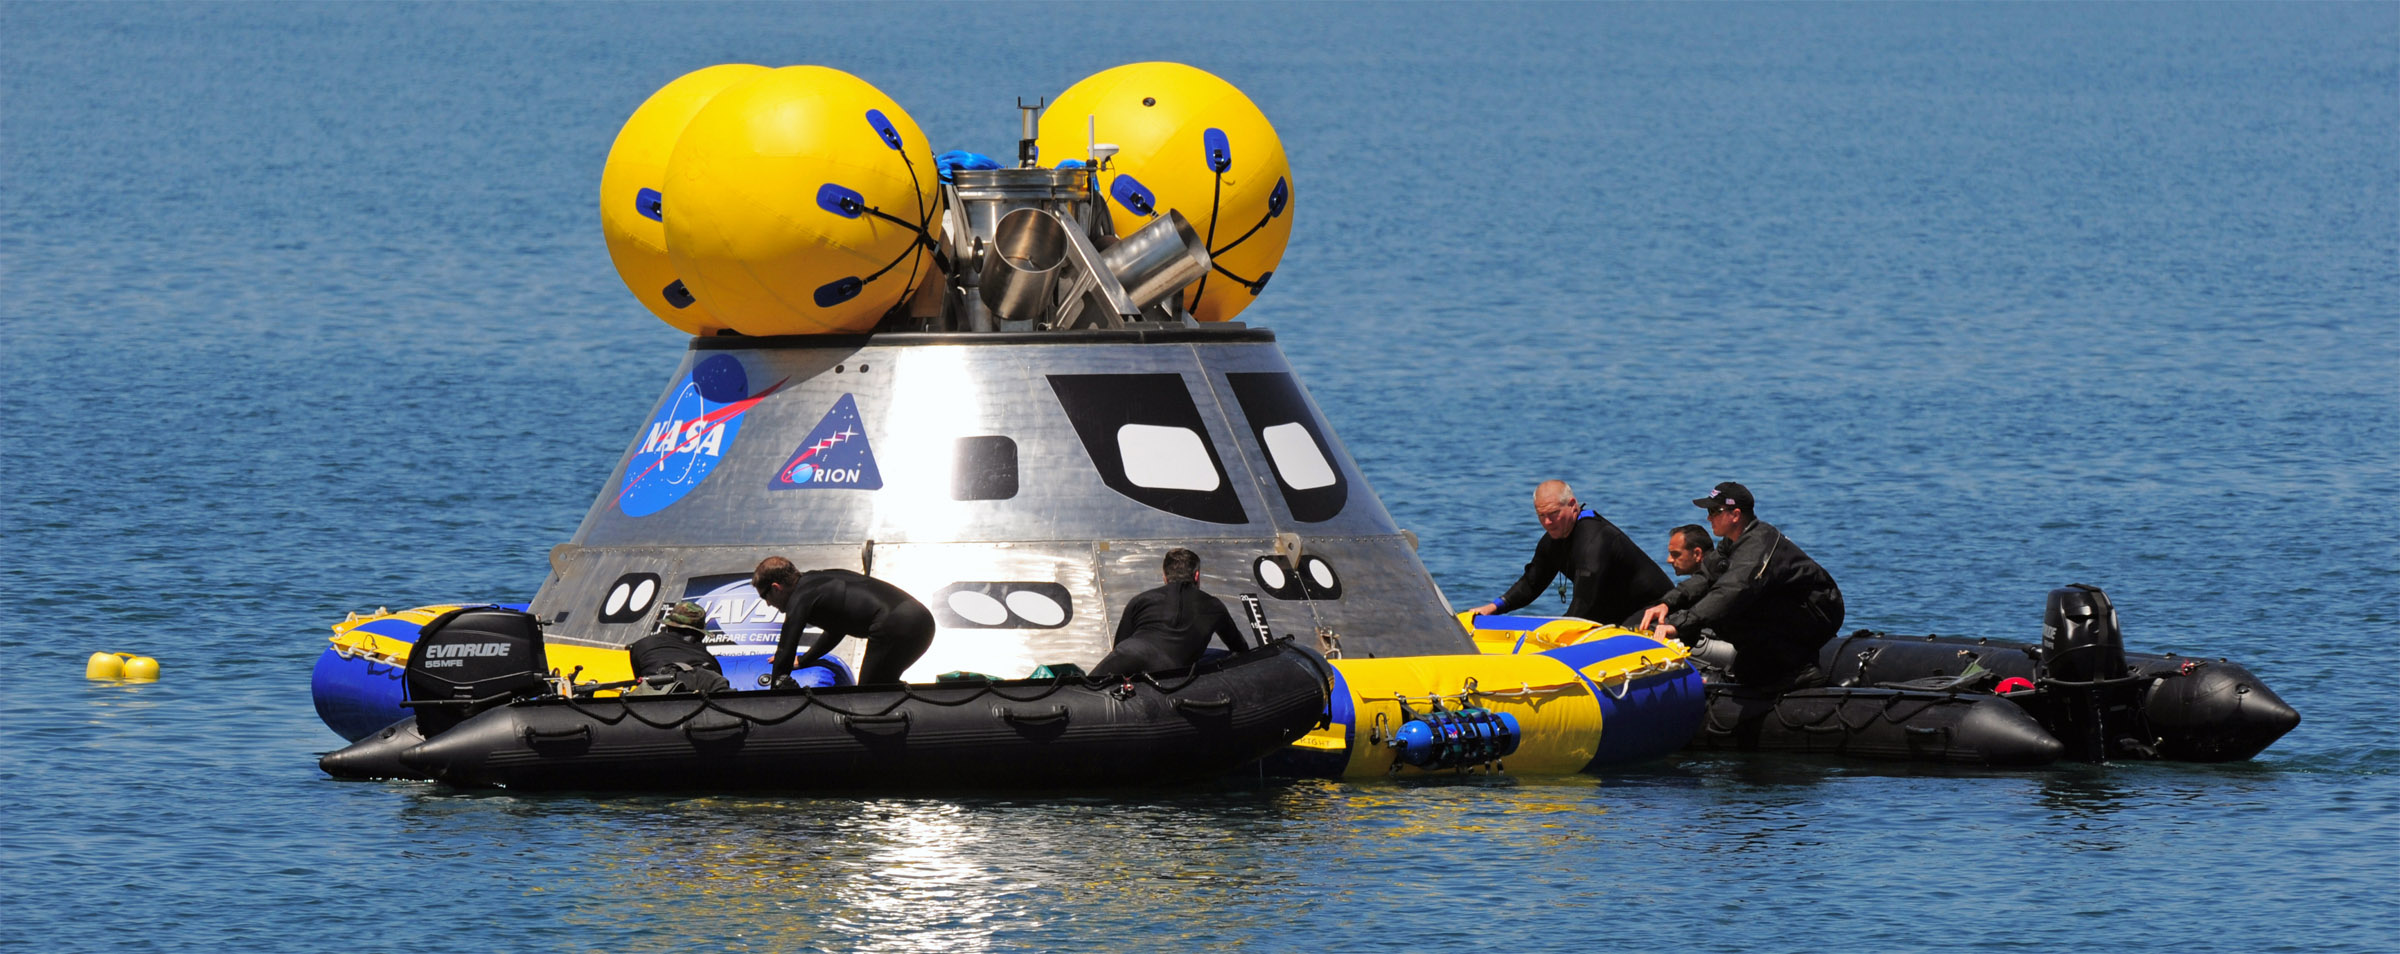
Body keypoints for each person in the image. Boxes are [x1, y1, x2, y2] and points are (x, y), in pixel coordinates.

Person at [1637, 482, 1845, 691]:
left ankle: (1803, 670)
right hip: (1787, 608)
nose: (1708, 518)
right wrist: (1667, 603)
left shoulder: (1757, 544)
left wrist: (1680, 624)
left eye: (1713, 511)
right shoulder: (1732, 541)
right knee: (1747, 672)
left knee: (1727, 607)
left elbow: (1732, 591)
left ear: (1735, 515)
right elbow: (1705, 577)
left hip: (1818, 612)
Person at [1467, 479, 1672, 627]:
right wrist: (1494, 607)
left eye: (1554, 514)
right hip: (1612, 613)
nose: (1547, 522)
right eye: (1542, 516)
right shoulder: (1553, 540)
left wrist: (1559, 631)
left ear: (1572, 505)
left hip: (1654, 608)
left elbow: (1585, 601)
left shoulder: (1594, 538)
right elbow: (1531, 583)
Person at [752, 556, 937, 686]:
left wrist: (775, 690)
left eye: (764, 596)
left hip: (895, 625)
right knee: (884, 685)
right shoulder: (818, 582)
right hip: (922, 619)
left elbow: (786, 646)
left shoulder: (800, 598)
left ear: (776, 588)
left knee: (870, 695)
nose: (768, 604)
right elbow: (836, 629)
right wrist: (803, 660)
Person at [1092, 548, 1254, 677]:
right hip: (1168, 667)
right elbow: (1239, 648)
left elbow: (1119, 644)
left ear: (1165, 577)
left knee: (1086, 689)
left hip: (1127, 655)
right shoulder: (1214, 605)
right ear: (1196, 576)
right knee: (1221, 655)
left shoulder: (1140, 600)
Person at [626, 601, 730, 693]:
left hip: (648, 703)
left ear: (668, 626)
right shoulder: (707, 659)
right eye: (700, 636)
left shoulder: (641, 646)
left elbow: (639, 679)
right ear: (691, 635)